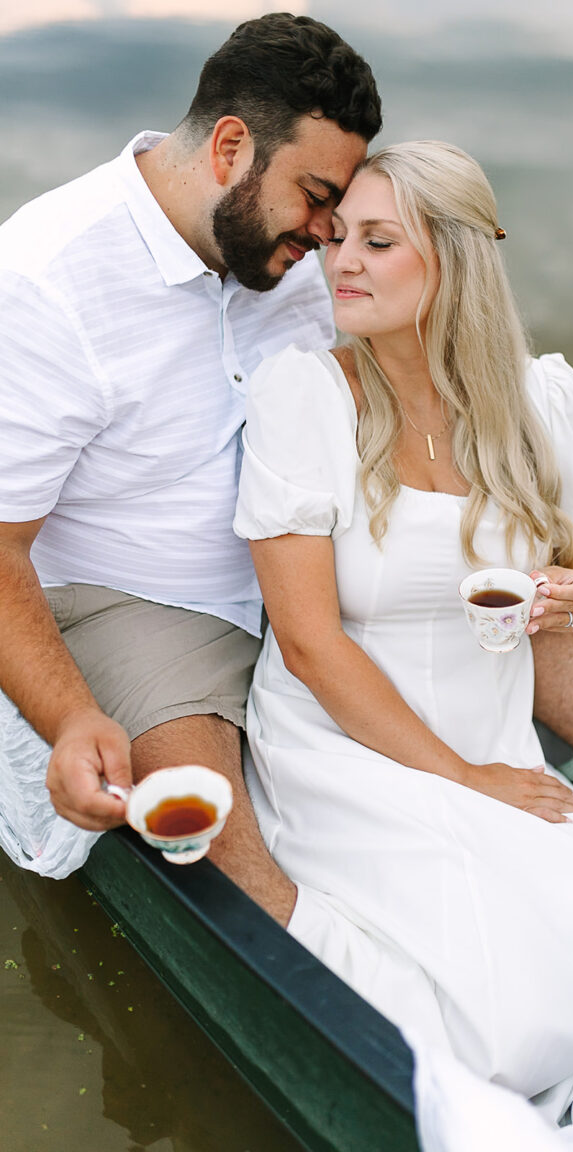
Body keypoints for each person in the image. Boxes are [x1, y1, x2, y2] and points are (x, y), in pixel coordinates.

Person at [233, 140, 573, 1146]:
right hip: (343, 741)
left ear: (455, 260)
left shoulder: (541, 399)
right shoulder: (305, 398)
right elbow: (306, 643)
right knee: (486, 982)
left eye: (378, 241)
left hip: (491, 729)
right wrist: (465, 780)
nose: (340, 261)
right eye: (336, 237)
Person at [0, 13, 381, 917]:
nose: (331, 235)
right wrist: (69, 719)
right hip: (139, 605)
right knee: (243, 877)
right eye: (315, 196)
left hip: (306, 563)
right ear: (230, 145)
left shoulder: (277, 254)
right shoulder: (45, 283)